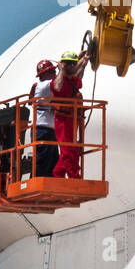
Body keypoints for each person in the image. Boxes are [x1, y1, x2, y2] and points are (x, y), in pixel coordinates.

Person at [52, 49, 89, 179]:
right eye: (70, 63)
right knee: (68, 151)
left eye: (74, 63)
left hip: (73, 119)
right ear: (63, 65)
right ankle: (74, 177)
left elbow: (78, 73)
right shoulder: (57, 81)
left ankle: (58, 175)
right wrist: (61, 70)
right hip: (62, 121)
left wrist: (84, 60)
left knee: (72, 150)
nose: (73, 66)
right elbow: (57, 87)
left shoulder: (73, 81)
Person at [27, 59, 59, 177]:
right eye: (51, 71)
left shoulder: (47, 86)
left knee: (53, 163)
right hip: (42, 130)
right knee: (42, 163)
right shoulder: (44, 86)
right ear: (44, 74)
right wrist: (63, 68)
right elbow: (61, 81)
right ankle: (35, 182)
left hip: (49, 130)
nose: (54, 74)